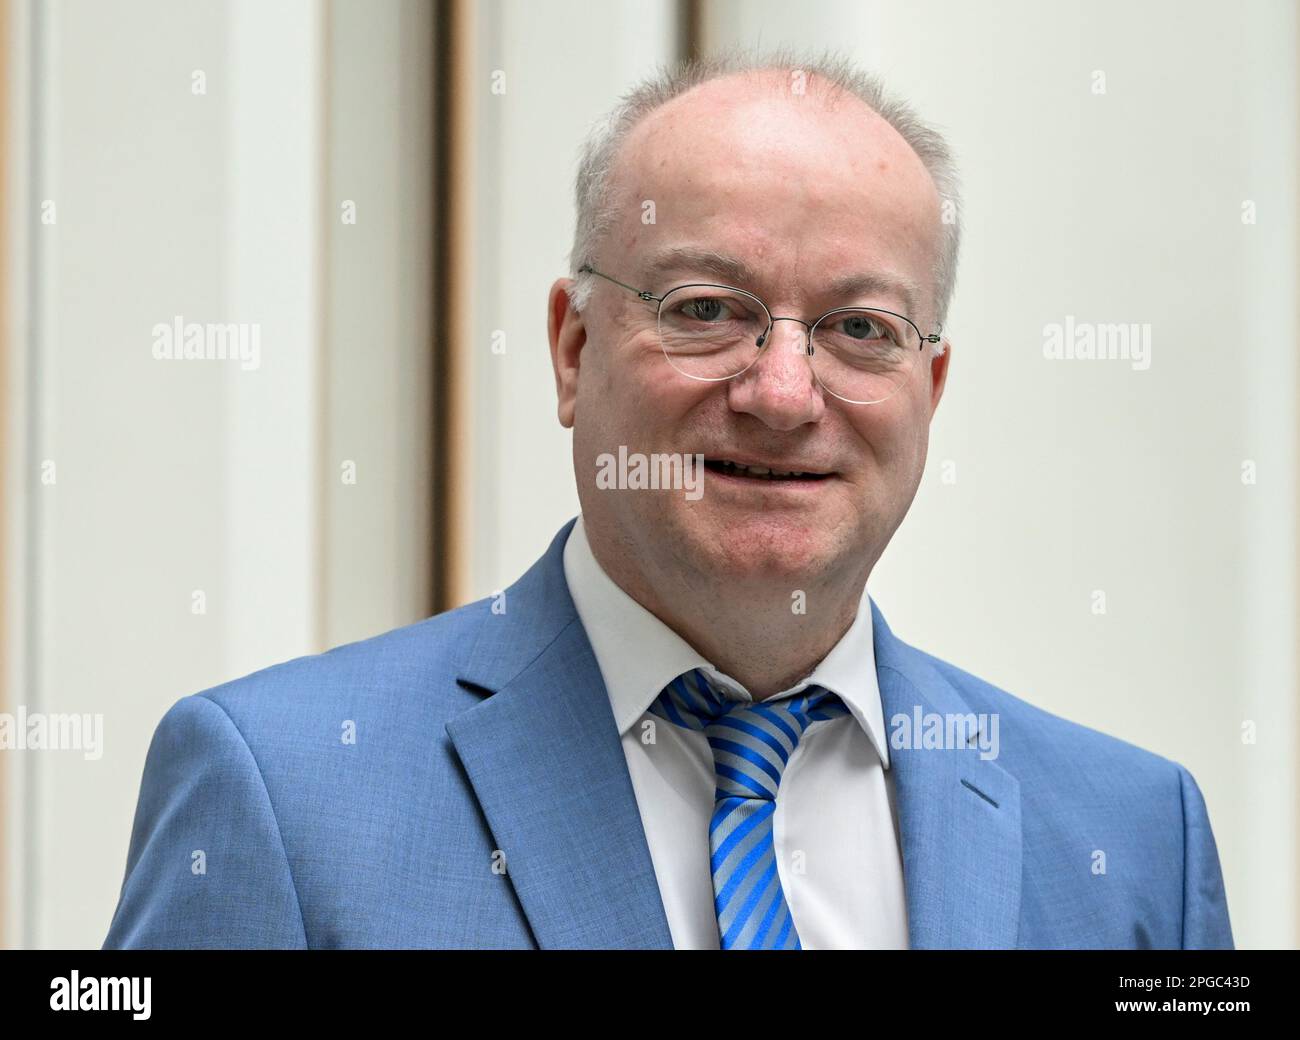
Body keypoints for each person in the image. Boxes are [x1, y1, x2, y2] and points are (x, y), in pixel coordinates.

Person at [103, 46, 1233, 950]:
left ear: (928, 389)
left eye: (859, 328)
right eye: (704, 309)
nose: (784, 393)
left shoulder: (1134, 844)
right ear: (571, 347)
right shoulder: (286, 797)